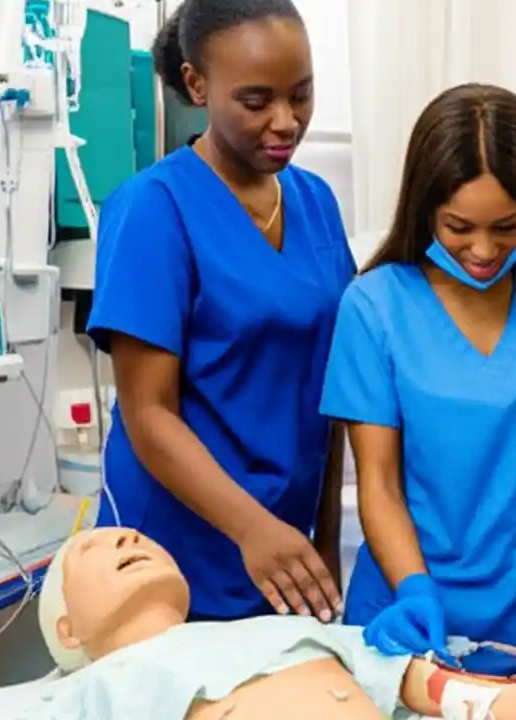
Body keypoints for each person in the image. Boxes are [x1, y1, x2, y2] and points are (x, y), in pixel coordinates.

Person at [319, 83, 516, 677]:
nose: (483, 250)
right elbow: (378, 484)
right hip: (411, 615)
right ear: (424, 207)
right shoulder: (375, 306)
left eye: (507, 227)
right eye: (459, 227)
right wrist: (414, 589)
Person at [85, 0, 353, 625]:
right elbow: (150, 414)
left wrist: (325, 537)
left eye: (302, 95)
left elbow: (333, 389)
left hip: (283, 550)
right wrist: (253, 529)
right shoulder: (153, 208)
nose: (286, 122)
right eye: (256, 102)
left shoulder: (316, 202)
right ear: (197, 84)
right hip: (174, 559)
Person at [29, 527, 516, 720]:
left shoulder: (288, 634)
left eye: (134, 538)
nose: (125, 540)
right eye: (93, 548)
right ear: (67, 633)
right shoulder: (91, 691)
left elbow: (479, 702)